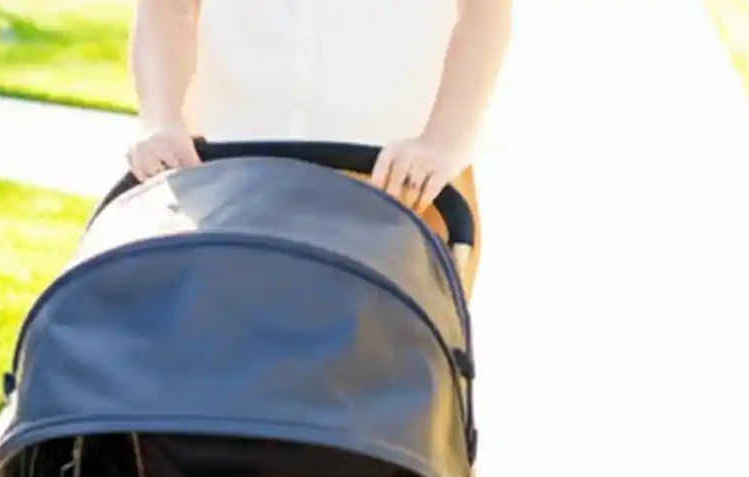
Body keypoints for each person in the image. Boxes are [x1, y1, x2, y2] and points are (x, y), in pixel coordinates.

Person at [123, 0, 512, 302]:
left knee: (386, 368)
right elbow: (168, 7)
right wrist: (162, 120)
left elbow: (483, 12)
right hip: (222, 182)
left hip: (398, 188)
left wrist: (443, 141)